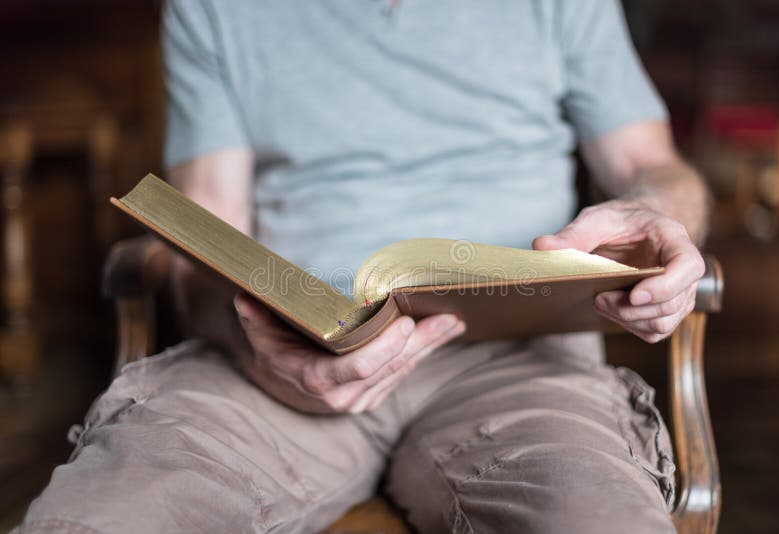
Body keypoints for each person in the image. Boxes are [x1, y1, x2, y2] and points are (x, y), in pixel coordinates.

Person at [16, 1, 709, 533]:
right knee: (104, 514)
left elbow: (655, 168)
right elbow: (206, 236)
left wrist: (659, 216)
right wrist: (256, 344)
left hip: (521, 366)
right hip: (273, 367)